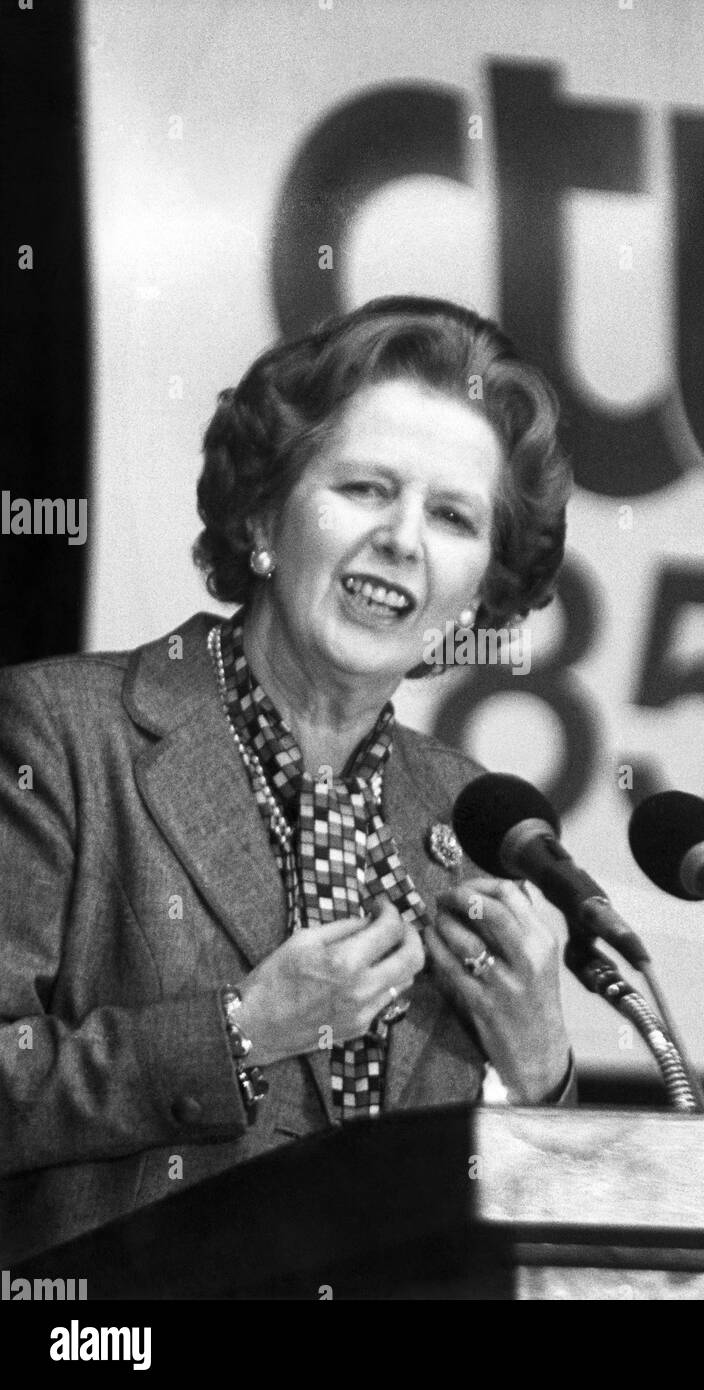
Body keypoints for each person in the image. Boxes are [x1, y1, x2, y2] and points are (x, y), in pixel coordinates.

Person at [0, 296, 576, 1265]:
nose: (403, 539)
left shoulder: (472, 819)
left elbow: (540, 1234)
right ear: (265, 510)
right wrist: (239, 1031)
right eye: (364, 488)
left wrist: (536, 1069)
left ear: (477, 592)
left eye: (450, 516)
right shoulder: (63, 736)